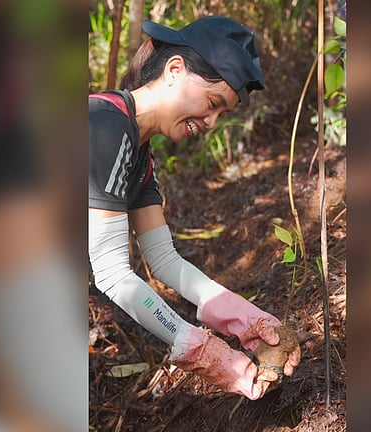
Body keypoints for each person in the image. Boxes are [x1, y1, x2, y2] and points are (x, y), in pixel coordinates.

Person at [89, 16, 301, 400]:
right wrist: (199, 348)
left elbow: (164, 261)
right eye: (213, 103)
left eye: (222, 114)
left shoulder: (138, 153)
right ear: (174, 70)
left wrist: (245, 320)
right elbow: (110, 272)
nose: (211, 122)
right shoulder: (105, 127)